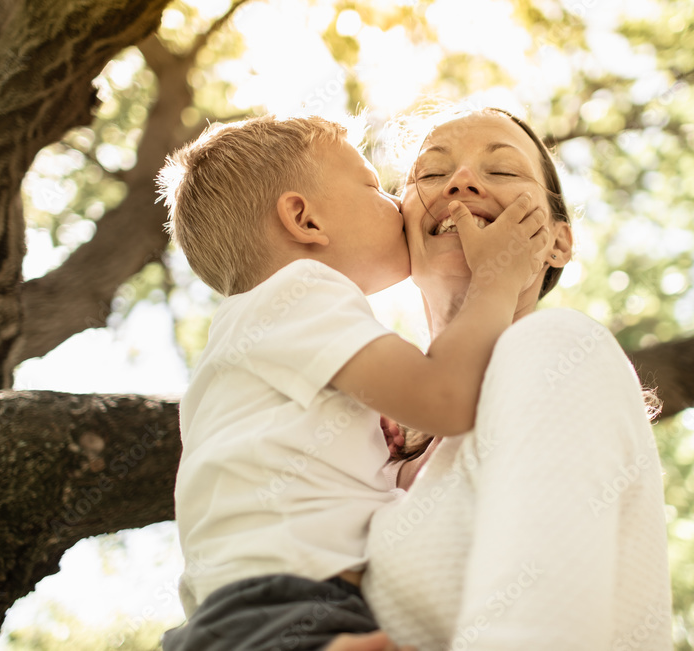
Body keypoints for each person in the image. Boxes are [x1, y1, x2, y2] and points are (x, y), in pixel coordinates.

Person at [155, 114, 554, 651]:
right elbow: (445, 398)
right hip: (277, 612)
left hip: (249, 616)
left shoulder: (270, 333)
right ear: (304, 219)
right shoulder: (297, 292)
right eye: (373, 188)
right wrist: (495, 281)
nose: (394, 204)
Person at [358, 106, 673, 650]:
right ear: (401, 225)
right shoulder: (368, 444)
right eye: (431, 174)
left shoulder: (559, 350)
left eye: (502, 171)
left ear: (557, 242)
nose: (460, 182)